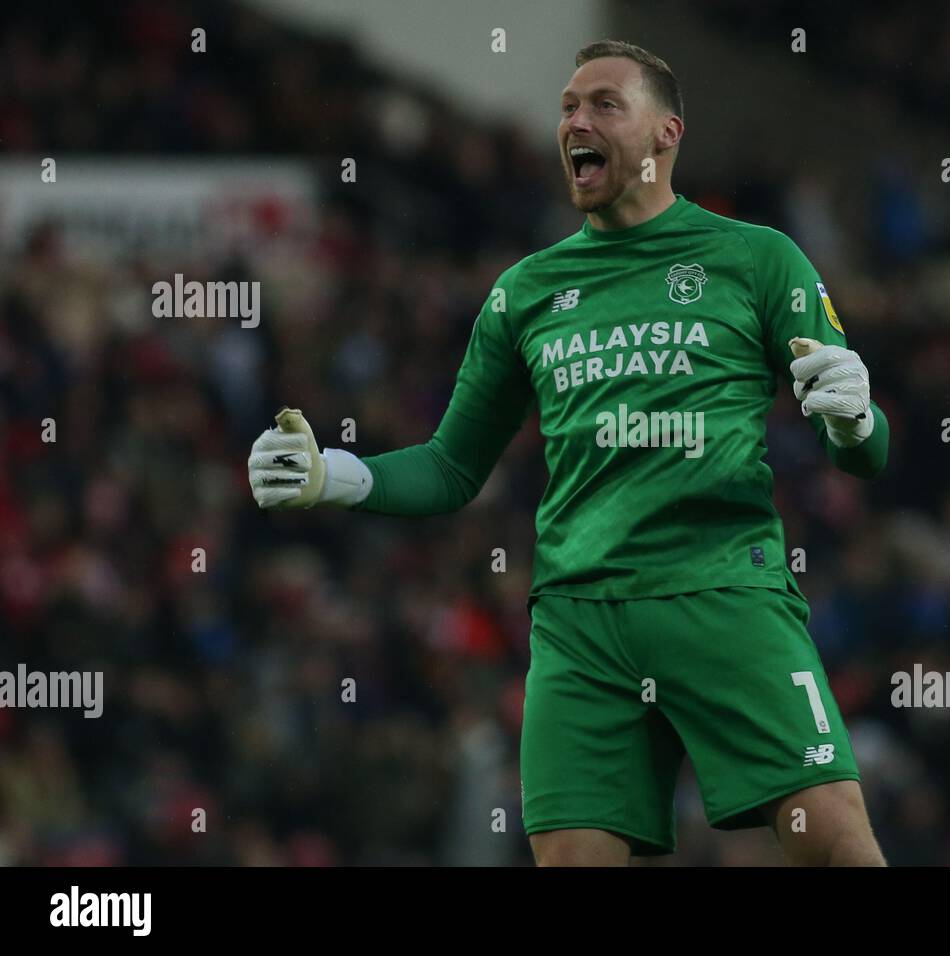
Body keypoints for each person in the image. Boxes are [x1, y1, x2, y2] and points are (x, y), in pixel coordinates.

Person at [248, 40, 889, 866]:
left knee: (837, 839)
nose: (575, 122)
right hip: (579, 625)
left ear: (667, 134)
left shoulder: (759, 258)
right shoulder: (526, 292)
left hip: (725, 595)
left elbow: (867, 458)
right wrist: (332, 475)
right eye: (566, 107)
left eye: (603, 105)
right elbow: (451, 467)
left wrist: (854, 423)